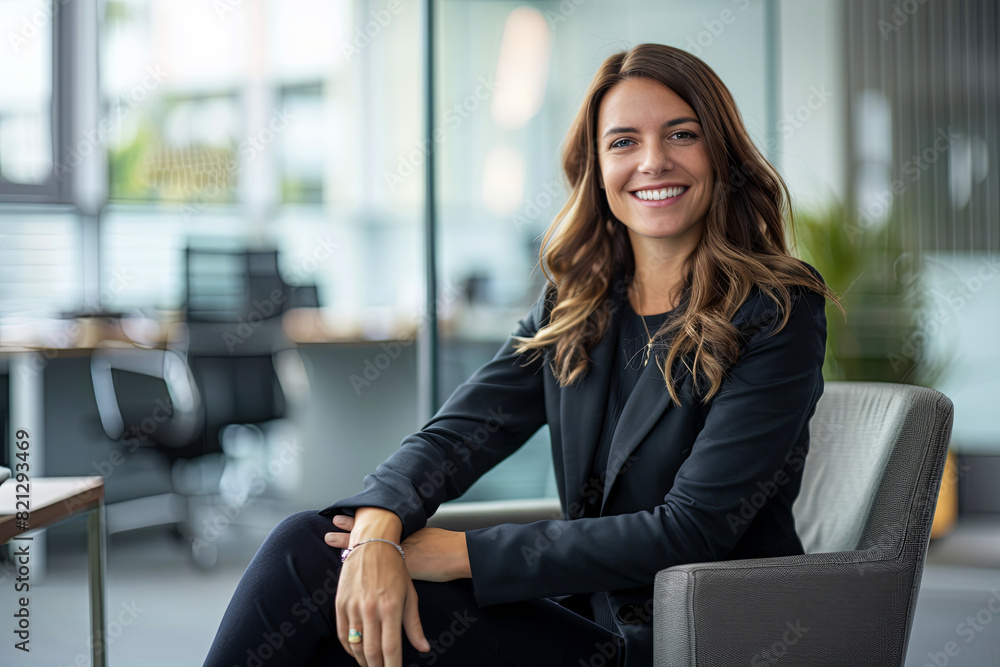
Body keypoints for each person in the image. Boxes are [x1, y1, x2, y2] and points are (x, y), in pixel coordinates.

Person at [205, 43, 838, 667]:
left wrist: (457, 553)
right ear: (596, 167)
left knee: (307, 560)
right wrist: (378, 526)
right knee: (334, 572)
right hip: (578, 619)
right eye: (623, 142)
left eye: (681, 134)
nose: (653, 161)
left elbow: (691, 530)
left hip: (682, 640)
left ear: (721, 154)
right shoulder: (581, 303)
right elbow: (458, 433)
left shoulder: (776, 309)